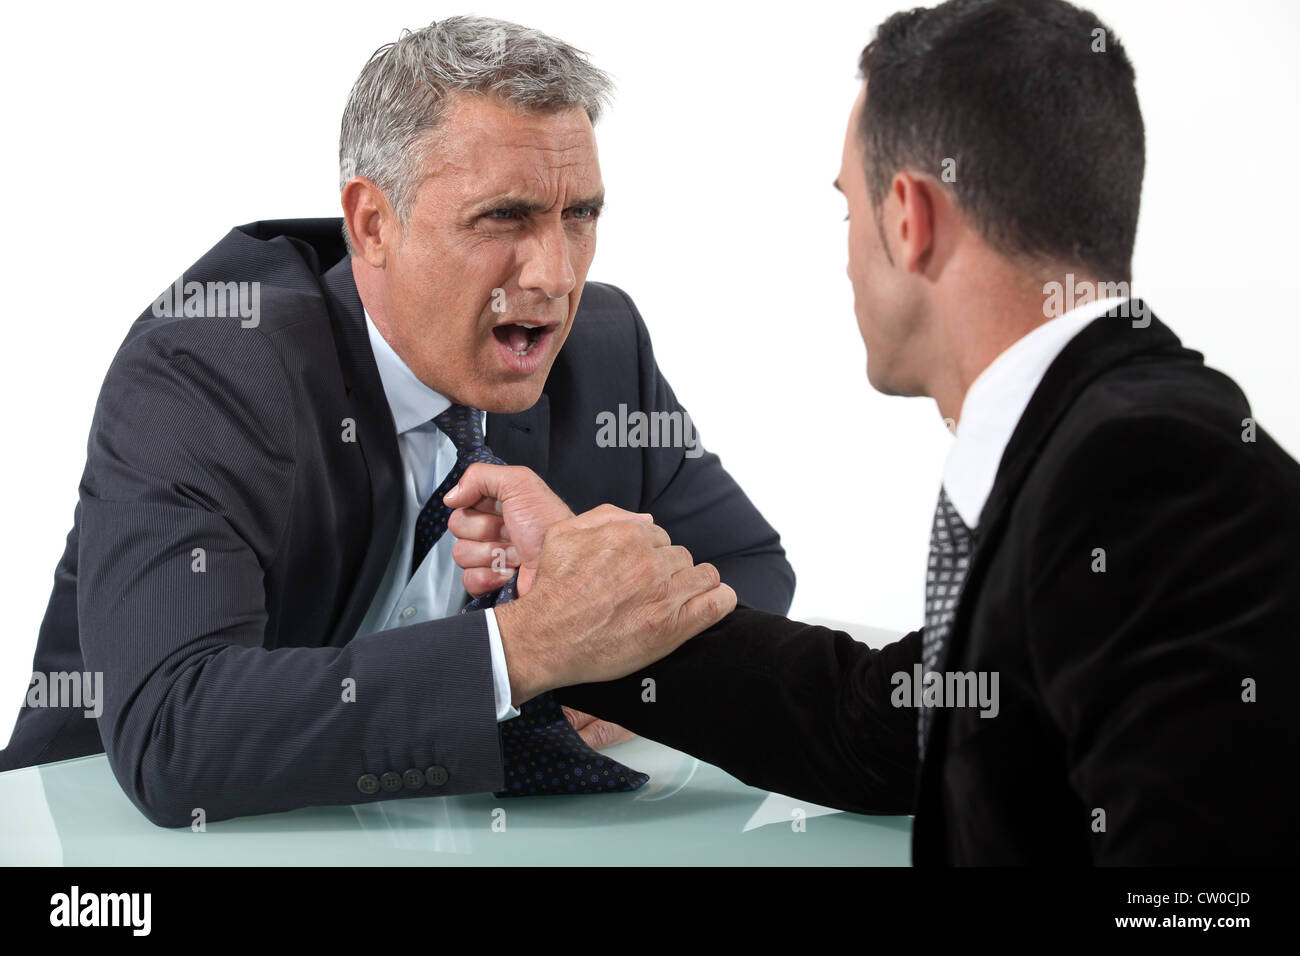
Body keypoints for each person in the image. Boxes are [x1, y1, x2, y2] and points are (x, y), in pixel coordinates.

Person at [444, 0, 1300, 864]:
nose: (849, 257)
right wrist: (587, 604)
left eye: (848, 213)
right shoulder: (1087, 443)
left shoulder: (1152, 472)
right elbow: (881, 729)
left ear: (909, 219)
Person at [0, 17, 789, 825]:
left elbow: (747, 563)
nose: (556, 275)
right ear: (373, 225)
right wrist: (531, 647)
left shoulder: (603, 346)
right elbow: (178, 733)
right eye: (504, 218)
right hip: (103, 834)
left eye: (580, 215)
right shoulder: (208, 371)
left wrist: (623, 673)